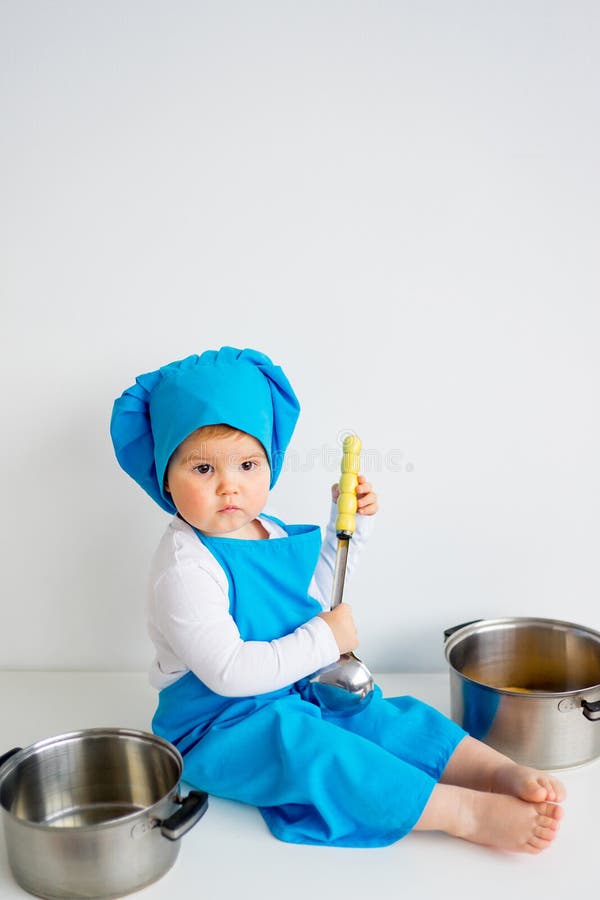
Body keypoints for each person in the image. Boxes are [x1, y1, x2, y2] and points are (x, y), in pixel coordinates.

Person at [110, 346, 565, 853]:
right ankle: (459, 811)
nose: (229, 486)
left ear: (271, 463)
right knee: (324, 756)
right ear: (164, 478)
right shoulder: (185, 568)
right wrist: (324, 639)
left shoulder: (267, 530)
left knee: (385, 717)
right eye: (201, 469)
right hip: (222, 725)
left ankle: (495, 771)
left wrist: (347, 529)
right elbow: (230, 672)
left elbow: (316, 596)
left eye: (246, 463)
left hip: (292, 688)